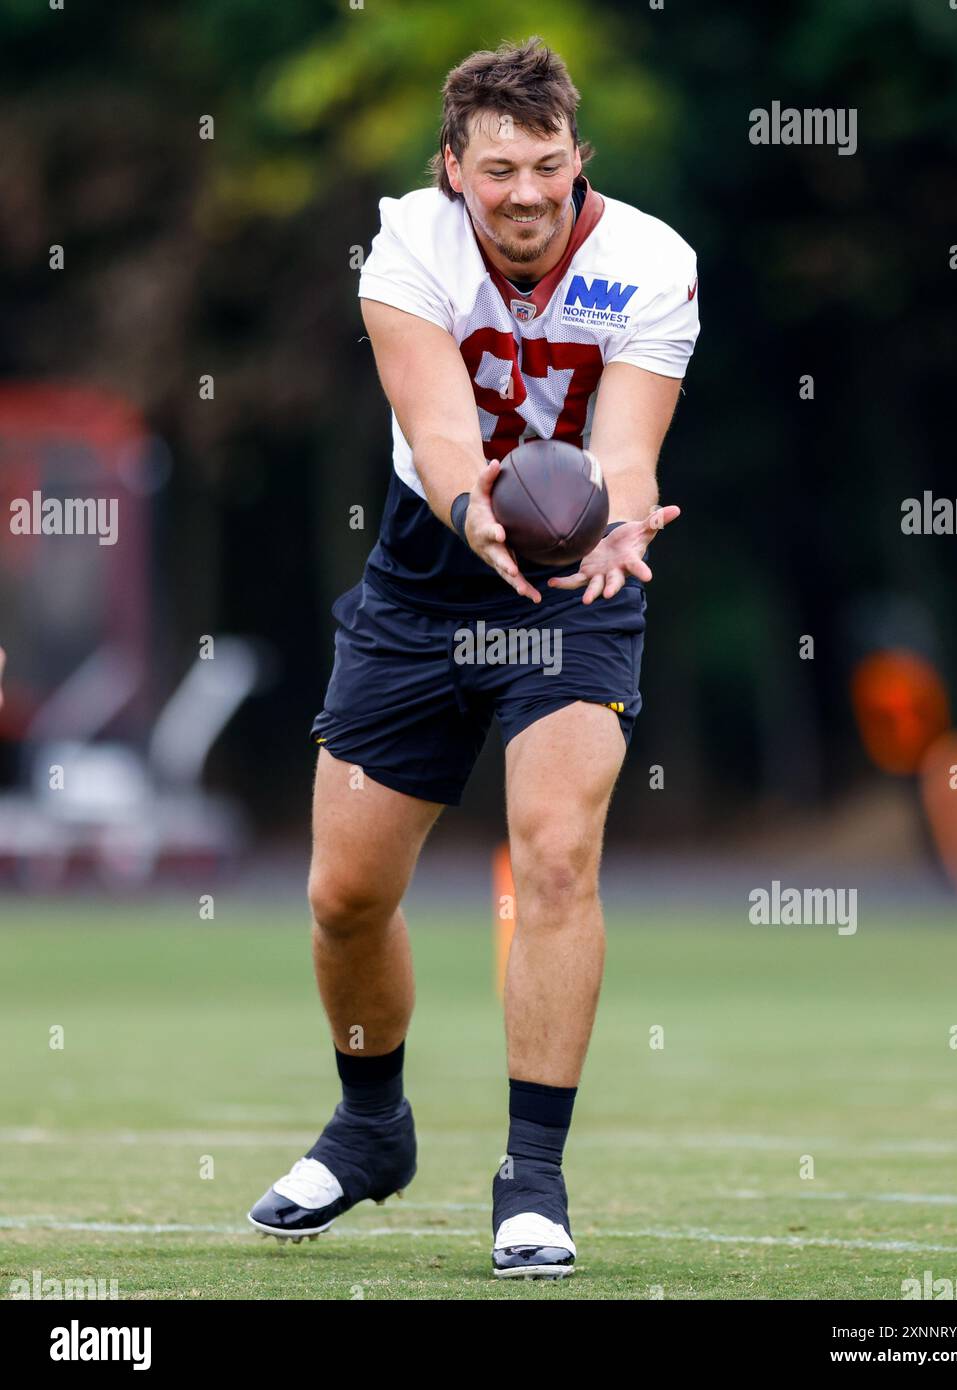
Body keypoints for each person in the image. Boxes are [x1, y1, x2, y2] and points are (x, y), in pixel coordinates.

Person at [248, 36, 700, 1279]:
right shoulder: (405, 246)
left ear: (578, 159)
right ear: (453, 168)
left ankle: (533, 1180)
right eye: (498, 169)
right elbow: (441, 430)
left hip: (574, 583)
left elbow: (629, 447)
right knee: (344, 894)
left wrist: (614, 519)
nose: (526, 194)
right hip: (429, 570)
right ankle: (368, 1124)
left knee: (555, 850)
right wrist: (475, 511)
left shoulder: (651, 261)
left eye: (548, 166)